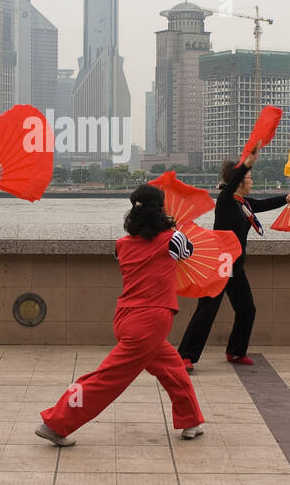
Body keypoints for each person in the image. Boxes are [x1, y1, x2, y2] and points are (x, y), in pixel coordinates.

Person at [37, 184, 206, 446]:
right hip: (151, 319)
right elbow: (188, 253)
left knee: (172, 367)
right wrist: (175, 226)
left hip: (126, 317)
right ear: (161, 209)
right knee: (106, 379)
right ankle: (56, 423)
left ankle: (191, 419)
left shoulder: (120, 245)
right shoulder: (174, 238)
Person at [176, 144, 290, 370]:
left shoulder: (244, 204)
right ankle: (185, 356)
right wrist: (247, 164)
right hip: (221, 264)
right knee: (207, 310)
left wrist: (286, 198)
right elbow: (233, 184)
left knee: (247, 309)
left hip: (236, 266)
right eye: (249, 177)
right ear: (239, 181)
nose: (252, 181)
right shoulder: (226, 200)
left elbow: (264, 204)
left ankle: (236, 352)